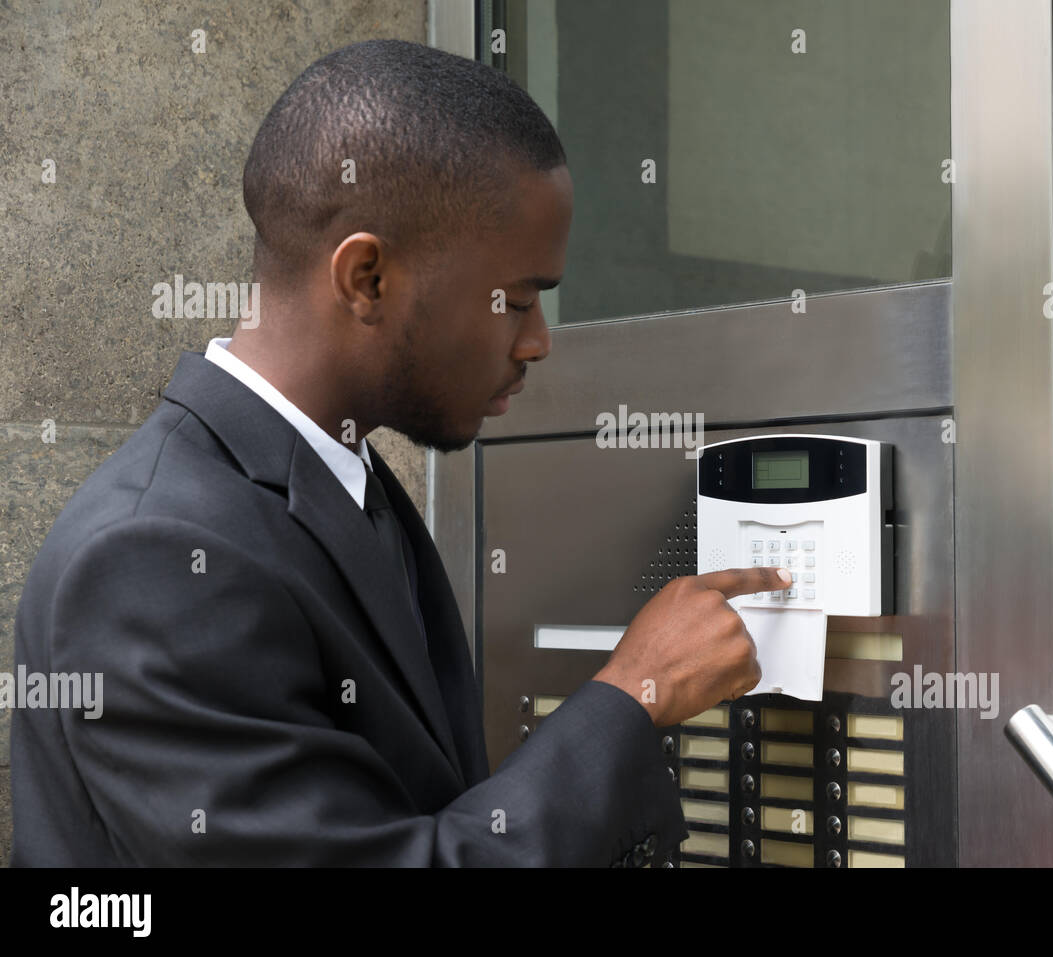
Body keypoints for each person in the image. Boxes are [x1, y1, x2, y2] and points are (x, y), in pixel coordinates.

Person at [9, 39, 787, 866]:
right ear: (367, 278)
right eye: (514, 300)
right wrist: (632, 695)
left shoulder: (342, 477)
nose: (538, 343)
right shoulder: (157, 555)